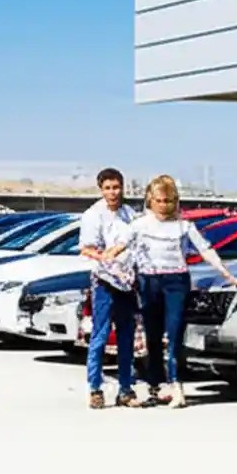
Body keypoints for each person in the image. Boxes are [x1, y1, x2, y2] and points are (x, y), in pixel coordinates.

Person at [102, 175, 237, 408]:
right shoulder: (140, 224)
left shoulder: (183, 226)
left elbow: (206, 250)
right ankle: (156, 385)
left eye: (168, 201)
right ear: (150, 200)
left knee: (175, 332)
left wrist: (227, 275)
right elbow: (121, 245)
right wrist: (107, 256)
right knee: (153, 335)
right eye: (159, 201)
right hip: (149, 280)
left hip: (176, 281)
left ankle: (176, 383)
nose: (163, 206)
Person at [78, 167, 142, 410]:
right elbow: (86, 248)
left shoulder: (129, 215)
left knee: (127, 337)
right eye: (108, 188)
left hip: (127, 282)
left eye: (116, 187)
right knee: (101, 335)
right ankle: (95, 387)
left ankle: (125, 388)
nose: (113, 192)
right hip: (104, 281)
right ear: (101, 189)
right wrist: (106, 258)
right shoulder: (93, 215)